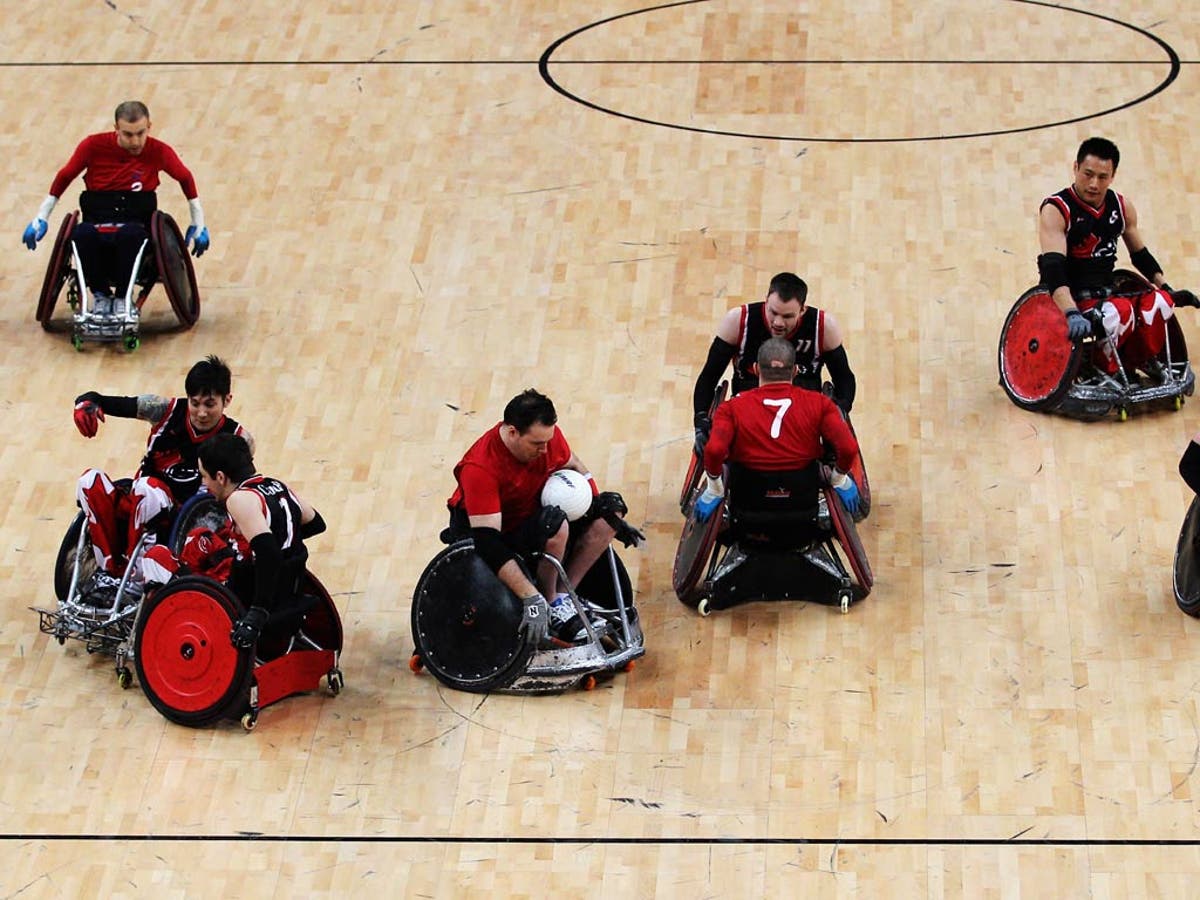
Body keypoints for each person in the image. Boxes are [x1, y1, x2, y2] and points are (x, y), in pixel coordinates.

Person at [447, 389, 644, 647]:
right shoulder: (480, 468)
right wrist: (530, 597)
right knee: (555, 525)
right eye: (537, 444)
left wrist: (598, 508)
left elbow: (575, 465)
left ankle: (564, 598)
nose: (545, 450)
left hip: (531, 516)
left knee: (611, 510)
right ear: (512, 432)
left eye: (548, 442)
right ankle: (548, 602)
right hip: (493, 535)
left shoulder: (547, 440)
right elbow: (488, 542)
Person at [72, 355, 252, 592]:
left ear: (227, 400)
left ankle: (135, 579)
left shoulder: (238, 439)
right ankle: (109, 572)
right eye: (194, 403)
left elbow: (242, 491)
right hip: (139, 501)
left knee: (149, 490)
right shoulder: (164, 410)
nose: (200, 412)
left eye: (210, 404)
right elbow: (105, 401)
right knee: (89, 481)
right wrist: (86, 404)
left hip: (186, 517)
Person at [21, 100, 210, 313]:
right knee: (81, 234)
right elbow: (64, 176)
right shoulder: (92, 146)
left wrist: (198, 223)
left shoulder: (159, 151)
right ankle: (100, 295)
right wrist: (41, 217)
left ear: (149, 127)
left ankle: (122, 297)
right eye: (128, 135)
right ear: (116, 129)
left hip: (136, 223)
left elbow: (185, 178)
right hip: (98, 219)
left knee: (130, 235)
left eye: (141, 133)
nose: (136, 141)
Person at [1038, 136, 1197, 378]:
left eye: (1102, 177)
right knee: (1120, 311)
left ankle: (1138, 358)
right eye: (1087, 174)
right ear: (1075, 168)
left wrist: (1167, 289)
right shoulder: (1057, 209)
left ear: (1113, 176)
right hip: (1070, 295)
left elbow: (1140, 255)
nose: (1094, 184)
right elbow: (1053, 269)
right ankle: (1101, 367)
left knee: (1159, 302)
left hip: (1105, 292)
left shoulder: (1122, 207)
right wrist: (1070, 312)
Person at [694, 338, 862, 523]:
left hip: (747, 508)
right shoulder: (821, 404)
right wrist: (839, 479)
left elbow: (714, 450)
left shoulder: (730, 408)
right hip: (803, 507)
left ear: (757, 369)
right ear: (796, 370)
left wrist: (714, 489)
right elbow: (848, 448)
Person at [692, 271, 856, 453]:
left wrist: (841, 410)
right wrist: (701, 420)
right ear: (766, 301)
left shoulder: (824, 327)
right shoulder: (738, 321)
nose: (778, 322)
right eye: (773, 312)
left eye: (787, 317)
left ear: (803, 310)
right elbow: (709, 376)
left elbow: (844, 378)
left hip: (803, 412)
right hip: (748, 409)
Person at [193, 433, 326, 649]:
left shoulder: (238, 499)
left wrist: (257, 614)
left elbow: (269, 555)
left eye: (204, 476)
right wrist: (281, 539)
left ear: (220, 477)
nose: (203, 483)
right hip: (290, 591)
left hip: (250, 598)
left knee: (189, 547)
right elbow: (316, 523)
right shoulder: (277, 485)